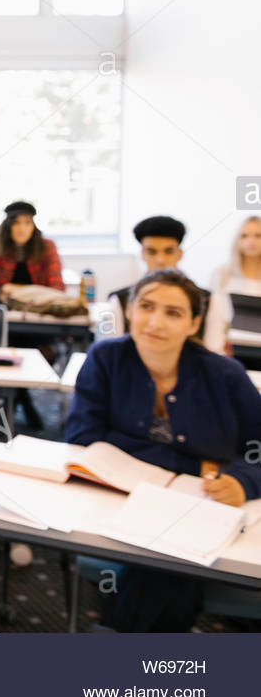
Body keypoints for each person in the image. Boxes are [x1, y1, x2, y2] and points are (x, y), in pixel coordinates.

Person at [65, 269, 261, 631]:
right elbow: (82, 438)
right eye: (146, 306)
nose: (155, 322)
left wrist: (243, 480)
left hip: (207, 508)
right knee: (168, 572)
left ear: (194, 323)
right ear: (131, 310)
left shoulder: (226, 375)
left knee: (163, 565)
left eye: (173, 313)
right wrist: (195, 464)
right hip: (119, 501)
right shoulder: (106, 358)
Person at [106, 216, 206, 339]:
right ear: (142, 255)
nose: (160, 260)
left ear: (179, 254)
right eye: (152, 252)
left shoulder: (209, 300)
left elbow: (215, 352)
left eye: (168, 251)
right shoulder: (119, 300)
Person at [204, 215, 261, 353]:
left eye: (258, 236)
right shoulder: (222, 274)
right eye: (244, 236)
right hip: (227, 346)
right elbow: (212, 313)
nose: (251, 241)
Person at [0, 201, 64, 292]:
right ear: (8, 226)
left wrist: (15, 288)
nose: (22, 228)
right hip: (2, 302)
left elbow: (57, 286)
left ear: (33, 226)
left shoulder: (47, 246)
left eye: (27, 223)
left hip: (39, 302)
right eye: (16, 223)